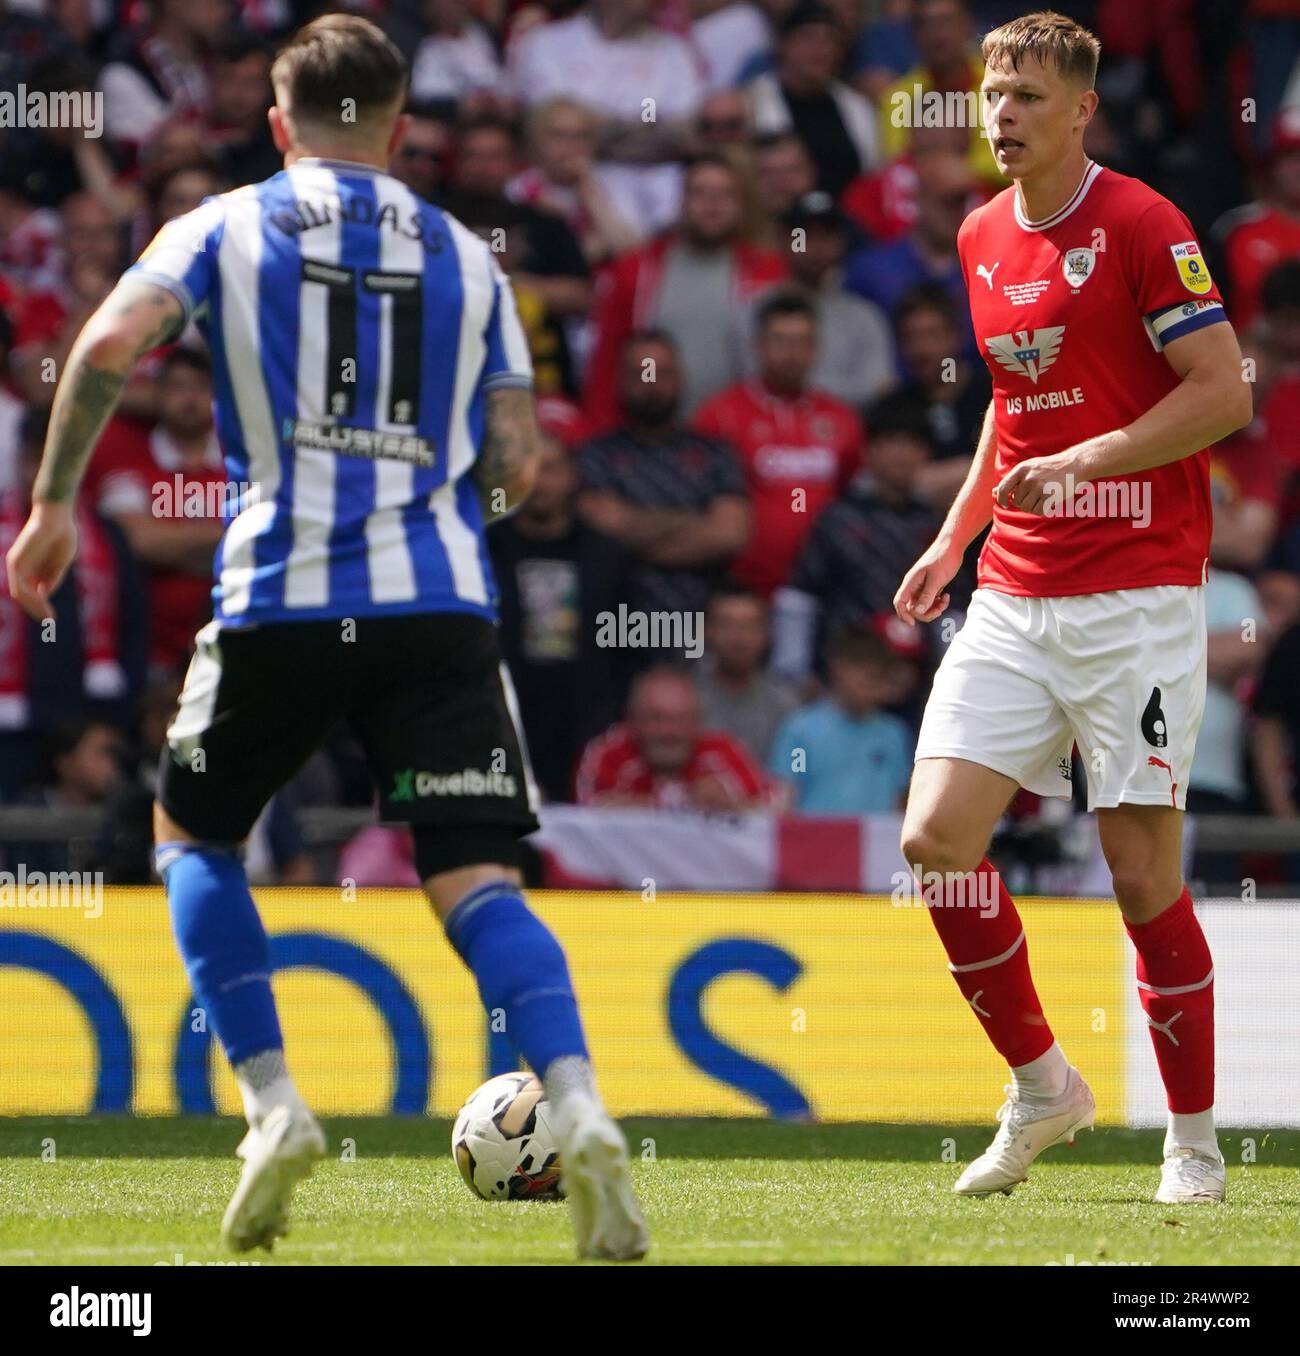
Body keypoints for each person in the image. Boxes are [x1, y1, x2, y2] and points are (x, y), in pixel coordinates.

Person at [4, 14, 648, 1263]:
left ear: (278, 123)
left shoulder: (221, 224)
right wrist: (449, 505)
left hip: (278, 595)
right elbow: (519, 463)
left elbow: (101, 348)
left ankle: (273, 1105)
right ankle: (574, 1097)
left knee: (194, 831)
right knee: (474, 876)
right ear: (402, 129)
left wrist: (49, 508)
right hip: (440, 603)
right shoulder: (469, 254)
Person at [891, 13, 1252, 1205]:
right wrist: (955, 536)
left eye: (1028, 97)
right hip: (1014, 589)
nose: (1001, 115)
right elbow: (1012, 398)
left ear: (1081, 108)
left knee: (1138, 874)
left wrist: (1096, 456)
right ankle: (1044, 1086)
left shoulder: (1144, 225)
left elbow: (1221, 393)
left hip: (1138, 596)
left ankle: (1192, 1139)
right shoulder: (981, 231)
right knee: (935, 845)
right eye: (993, 93)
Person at [694, 289, 862, 597]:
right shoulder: (720, 414)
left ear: (816, 348)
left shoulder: (842, 419)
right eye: (780, 340)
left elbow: (849, 488)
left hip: (826, 587)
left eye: (802, 342)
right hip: (738, 589)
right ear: (758, 345)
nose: (791, 352)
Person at [577, 331, 751, 626]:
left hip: (701, 628)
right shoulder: (594, 456)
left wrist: (633, 528)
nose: (651, 384)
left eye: (661, 372)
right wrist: (696, 525)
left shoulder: (716, 455)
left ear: (681, 378)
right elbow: (602, 529)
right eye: (640, 373)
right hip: (616, 624)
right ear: (619, 380)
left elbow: (728, 535)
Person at [575, 665, 770, 810]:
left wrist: (730, 806)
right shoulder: (607, 752)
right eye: (656, 718)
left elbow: (769, 810)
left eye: (680, 719)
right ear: (631, 720)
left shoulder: (722, 750)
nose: (669, 732)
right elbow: (589, 813)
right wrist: (680, 801)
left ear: (698, 723)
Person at [768, 626, 913, 813]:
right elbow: (788, 791)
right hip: (814, 838)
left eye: (878, 678)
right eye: (865, 677)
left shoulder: (893, 734)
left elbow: (898, 798)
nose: (870, 687)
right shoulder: (801, 731)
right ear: (839, 670)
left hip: (875, 840)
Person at [694, 583, 798, 765]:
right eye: (726, 625)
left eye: (749, 626)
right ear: (706, 631)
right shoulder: (683, 698)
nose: (738, 637)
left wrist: (794, 776)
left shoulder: (787, 704)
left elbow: (800, 763)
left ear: (767, 634)